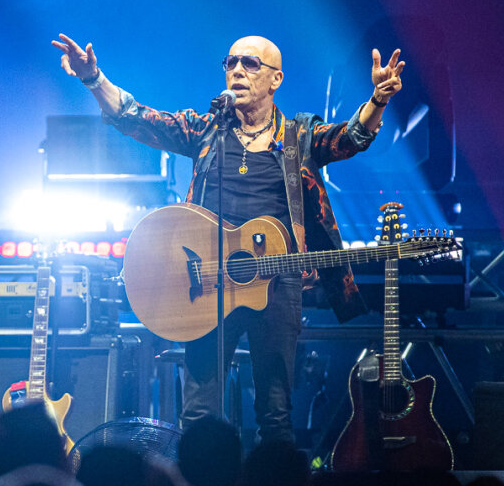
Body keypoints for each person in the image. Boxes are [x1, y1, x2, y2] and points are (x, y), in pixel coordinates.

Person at [51, 32, 404, 443]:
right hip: (207, 284)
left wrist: (377, 100)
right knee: (199, 411)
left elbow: (348, 139)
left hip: (276, 283)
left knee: (275, 412)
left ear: (275, 79)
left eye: (250, 63)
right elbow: (137, 118)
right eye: (231, 62)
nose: (237, 69)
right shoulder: (207, 131)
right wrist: (94, 79)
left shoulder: (297, 137)